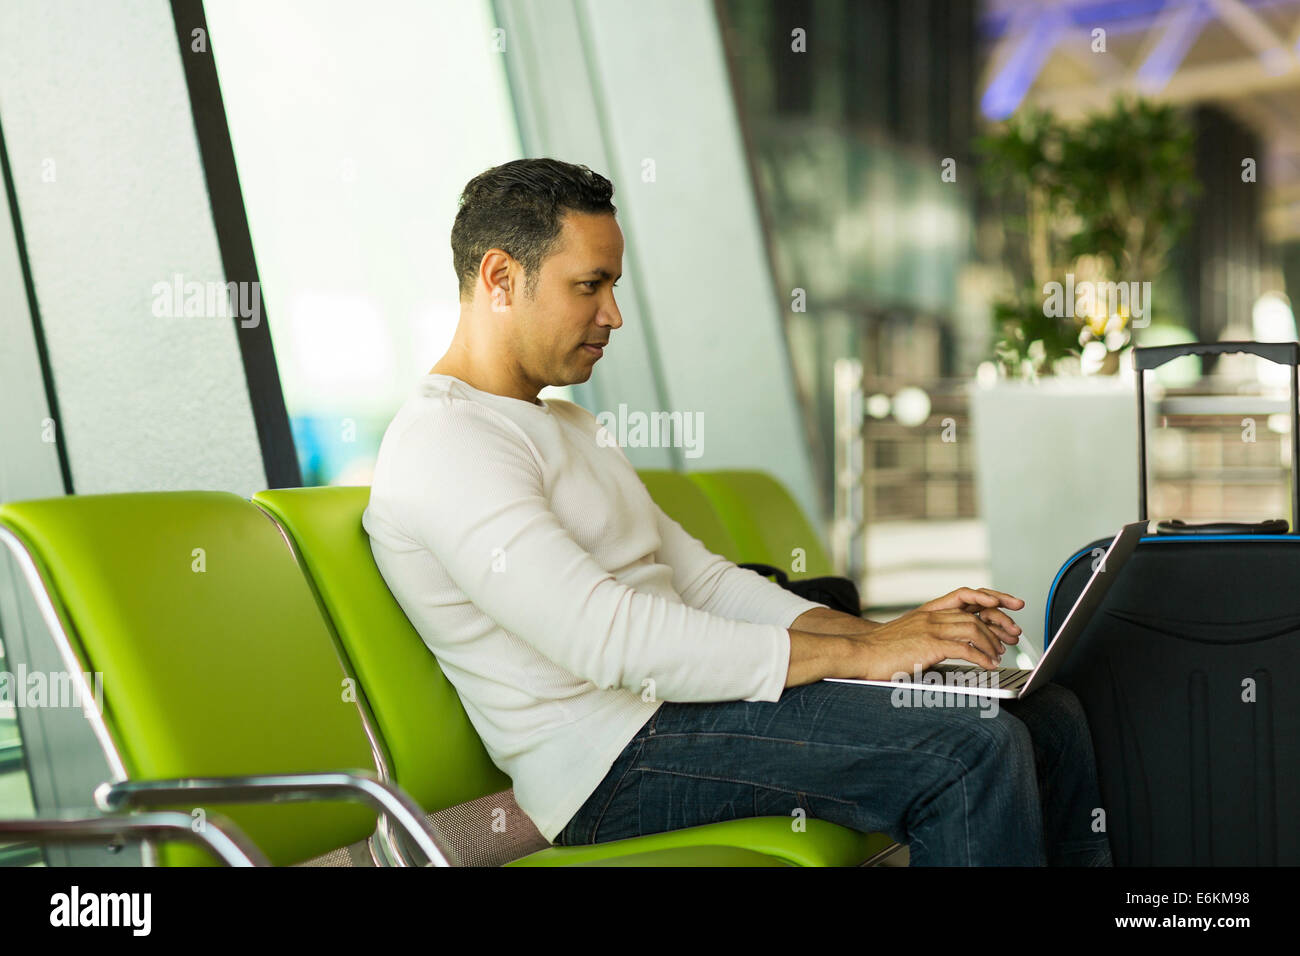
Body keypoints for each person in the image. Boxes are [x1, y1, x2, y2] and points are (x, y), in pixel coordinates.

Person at [362, 157, 1112, 866]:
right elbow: (609, 640)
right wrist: (862, 657)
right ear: (500, 276)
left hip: (684, 712)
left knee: (1048, 717)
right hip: (608, 760)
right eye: (589, 286)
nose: (613, 315)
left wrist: (889, 638)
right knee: (970, 749)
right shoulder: (446, 442)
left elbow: (709, 585)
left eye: (613, 286)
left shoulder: (567, 426)